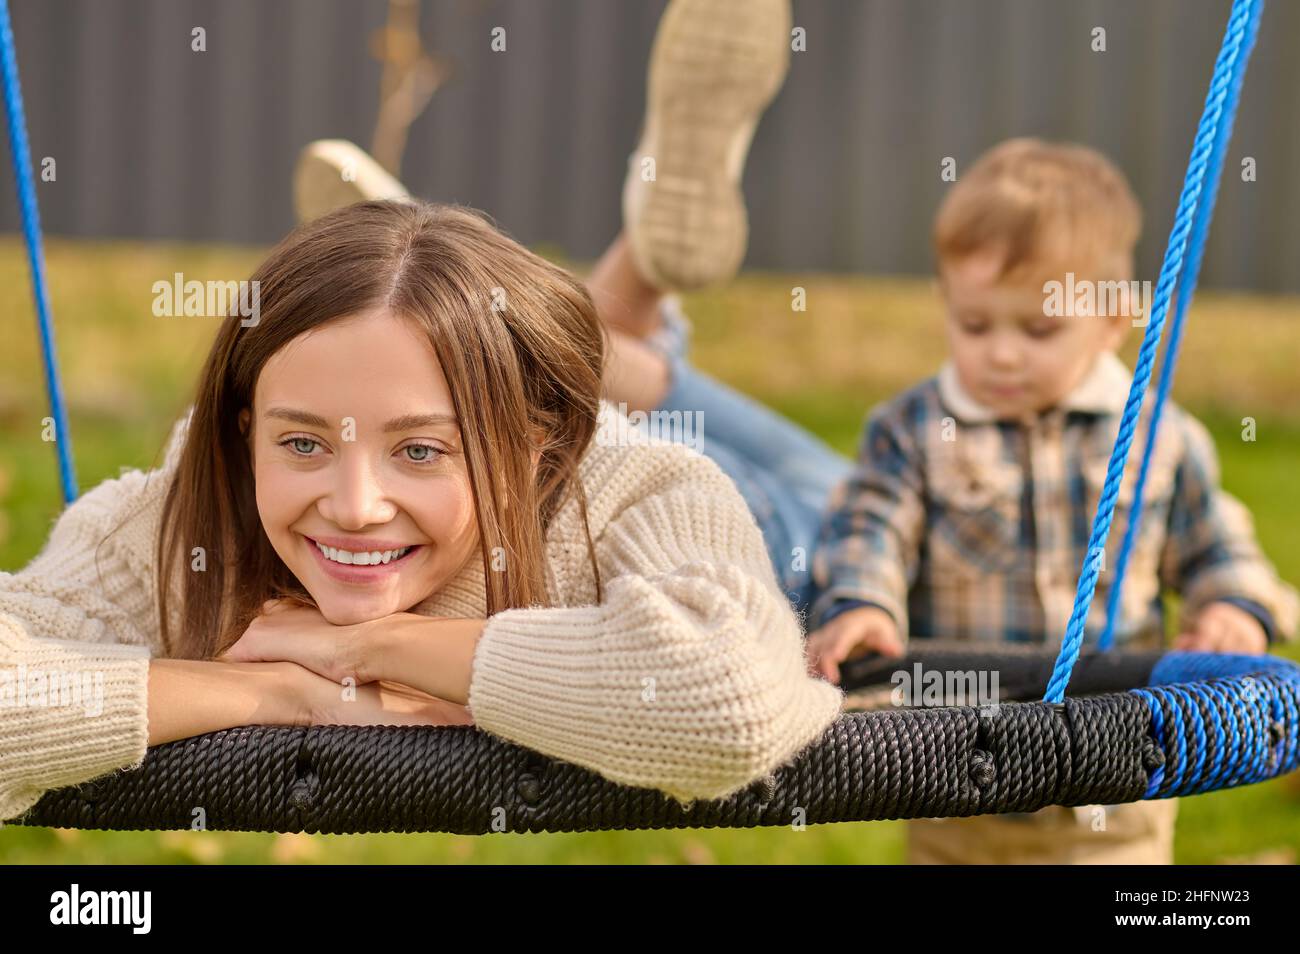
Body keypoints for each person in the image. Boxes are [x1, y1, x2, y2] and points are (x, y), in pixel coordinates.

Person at [802, 137, 1300, 863]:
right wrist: (861, 604)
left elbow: (1218, 547)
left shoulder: (1157, 436)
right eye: (974, 324)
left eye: (1039, 329)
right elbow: (868, 528)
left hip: (1114, 777)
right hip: (958, 770)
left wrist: (1232, 608)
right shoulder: (911, 430)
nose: (1001, 353)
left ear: (1111, 321)